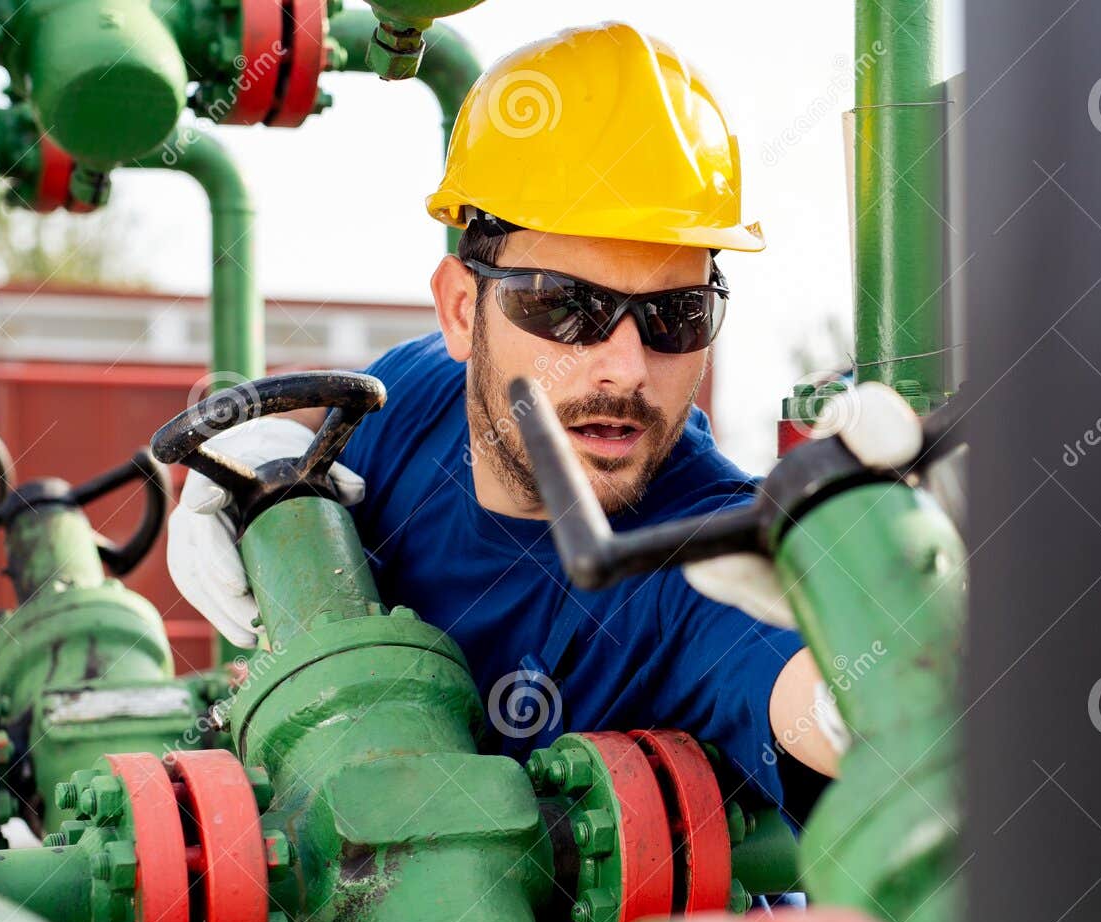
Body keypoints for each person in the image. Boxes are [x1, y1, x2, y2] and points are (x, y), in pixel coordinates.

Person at [167, 22, 849, 821]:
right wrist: (258, 456)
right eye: (565, 307)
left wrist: (908, 632)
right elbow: (316, 428)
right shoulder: (412, 398)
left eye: (677, 314)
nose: (625, 368)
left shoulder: (705, 559)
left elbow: (844, 714)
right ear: (463, 311)